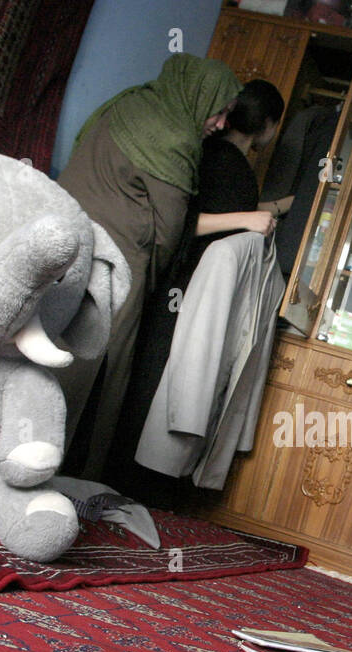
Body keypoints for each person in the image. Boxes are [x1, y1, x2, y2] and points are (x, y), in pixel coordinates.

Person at [101, 79, 288, 506]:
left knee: (162, 380)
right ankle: (133, 486)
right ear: (267, 125)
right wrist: (250, 217)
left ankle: (126, 484)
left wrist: (268, 210)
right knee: (161, 382)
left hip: (178, 284)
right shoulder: (224, 164)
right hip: (184, 286)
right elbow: (187, 223)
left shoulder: (214, 158)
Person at [56, 53, 242, 481]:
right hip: (115, 263)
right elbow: (168, 235)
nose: (220, 124)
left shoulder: (127, 102)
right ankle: (70, 477)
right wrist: (149, 286)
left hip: (60, 235)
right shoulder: (176, 138)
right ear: (197, 95)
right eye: (219, 110)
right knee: (100, 374)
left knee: (45, 346)